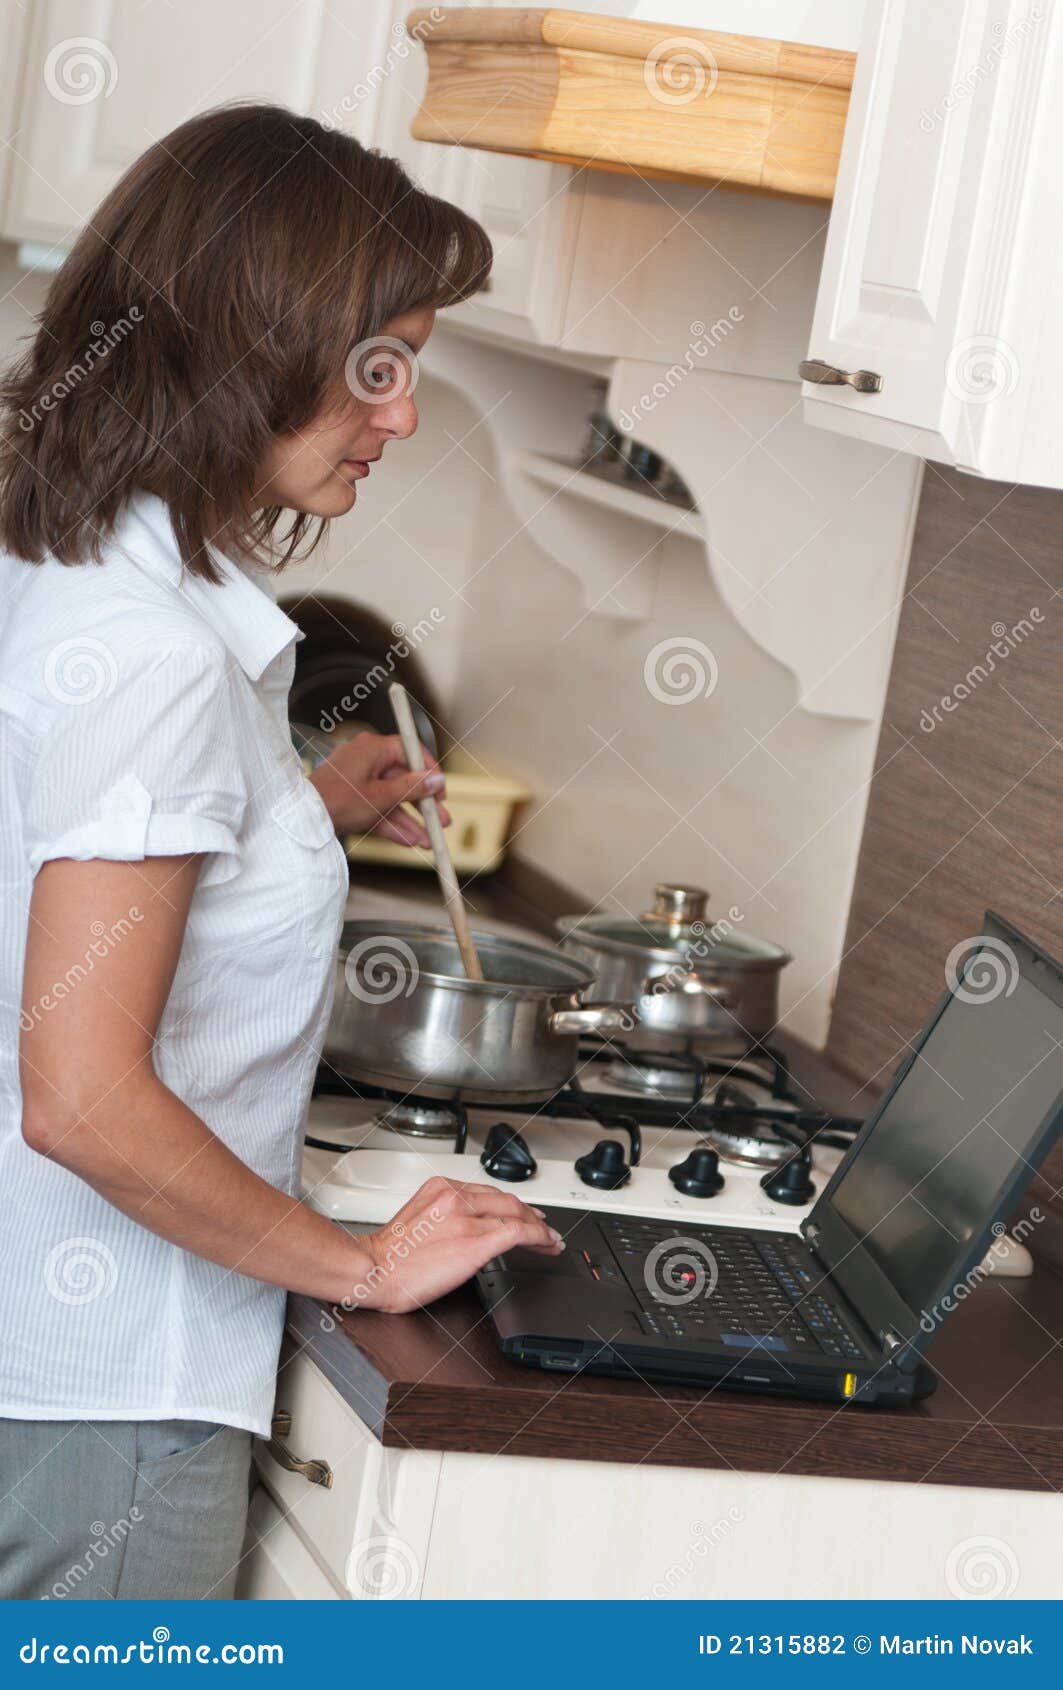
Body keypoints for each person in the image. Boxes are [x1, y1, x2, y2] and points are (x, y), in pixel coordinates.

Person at [0, 104, 562, 1601]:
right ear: (251, 344)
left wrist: (287, 810)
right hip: (105, 1384)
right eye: (379, 365)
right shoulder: (153, 657)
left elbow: (57, 865)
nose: (404, 414)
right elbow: (81, 1098)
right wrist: (365, 1262)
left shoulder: (67, 557)